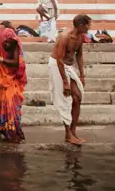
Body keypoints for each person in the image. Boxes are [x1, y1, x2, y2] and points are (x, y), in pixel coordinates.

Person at [48, 14, 91, 146]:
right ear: (81, 25)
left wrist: (82, 75)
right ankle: (68, 135)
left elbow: (80, 55)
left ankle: (73, 131)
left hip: (68, 66)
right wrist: (65, 83)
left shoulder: (80, 37)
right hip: (57, 65)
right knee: (66, 99)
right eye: (88, 24)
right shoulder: (64, 37)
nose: (90, 27)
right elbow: (60, 59)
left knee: (77, 97)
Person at [0, 28, 27, 143]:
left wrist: (0, 59)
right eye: (5, 42)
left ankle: (12, 132)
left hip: (10, 82)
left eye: (10, 43)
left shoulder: (16, 45)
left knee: (12, 108)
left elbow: (16, 63)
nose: (7, 44)